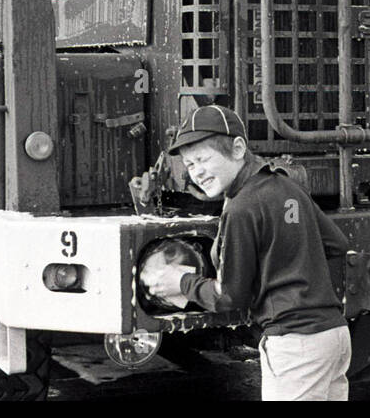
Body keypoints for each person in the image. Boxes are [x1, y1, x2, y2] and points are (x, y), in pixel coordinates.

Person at [141, 105, 352, 401]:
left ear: (238, 148)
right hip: (333, 336)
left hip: (295, 346)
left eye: (203, 158)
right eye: (189, 165)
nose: (197, 172)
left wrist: (182, 283)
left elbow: (229, 296)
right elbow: (338, 245)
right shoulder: (286, 186)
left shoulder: (241, 207)